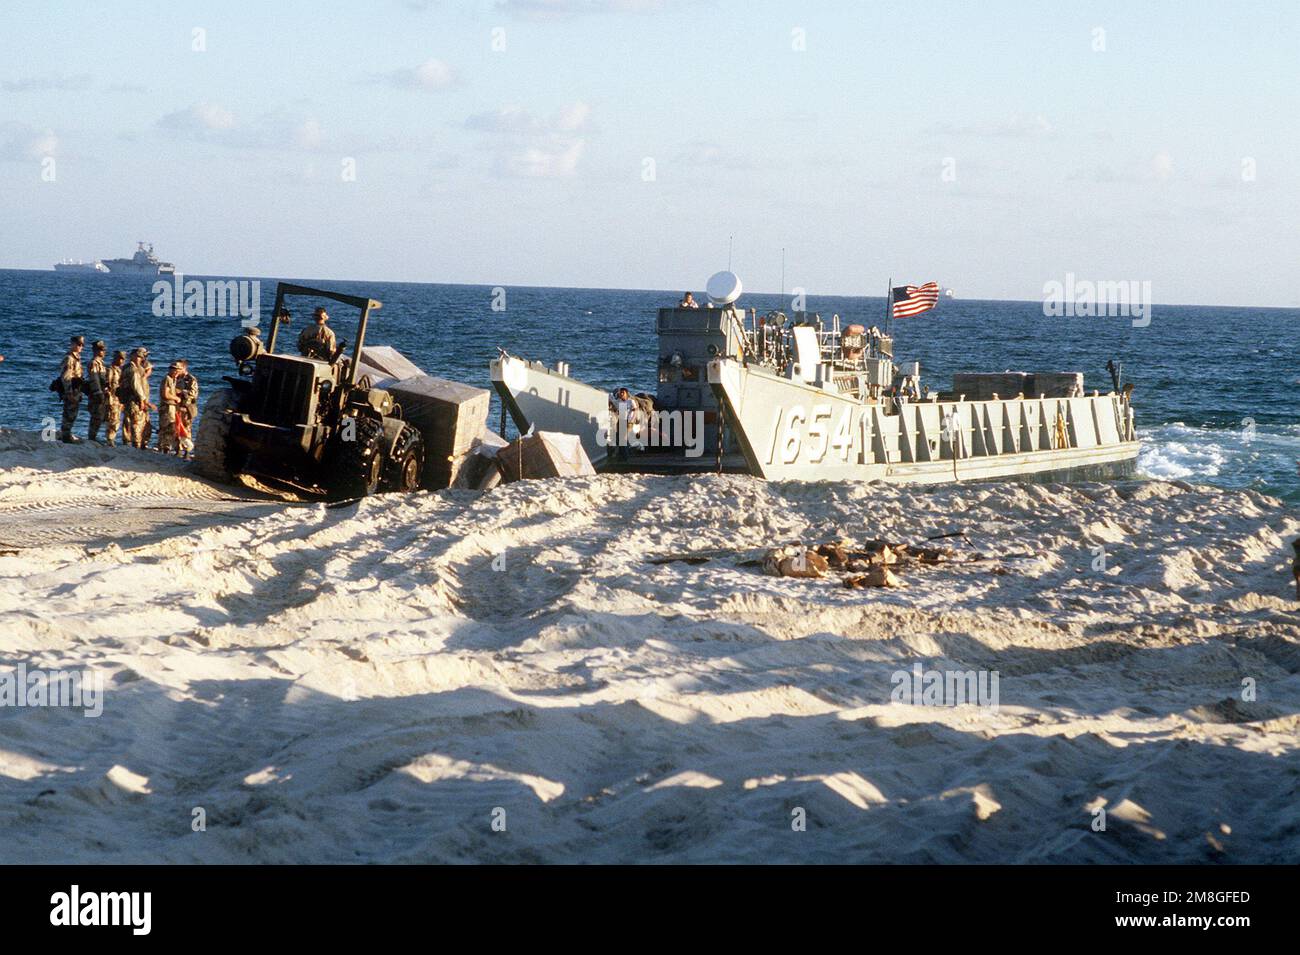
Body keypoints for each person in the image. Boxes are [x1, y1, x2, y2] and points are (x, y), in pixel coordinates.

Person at [122, 348, 155, 449]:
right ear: (132, 356)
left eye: (141, 357)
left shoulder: (131, 367)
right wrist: (142, 400)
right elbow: (136, 386)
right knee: (136, 422)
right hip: (134, 399)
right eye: (138, 356)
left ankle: (131, 443)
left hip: (131, 398)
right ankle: (136, 444)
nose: (139, 358)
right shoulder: (133, 369)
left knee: (131, 421)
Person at [57, 335, 86, 443]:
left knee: (73, 414)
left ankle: (67, 434)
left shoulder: (77, 358)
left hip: (76, 390)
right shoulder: (69, 358)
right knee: (69, 413)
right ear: (73, 344)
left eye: (82, 345)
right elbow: (66, 377)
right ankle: (65, 436)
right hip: (71, 390)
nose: (80, 347)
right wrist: (69, 393)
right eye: (78, 344)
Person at [157, 362, 183, 455]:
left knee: (169, 427)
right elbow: (166, 394)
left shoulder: (172, 380)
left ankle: (165, 447)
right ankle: (164, 448)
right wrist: (176, 398)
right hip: (167, 407)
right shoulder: (167, 379)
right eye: (174, 369)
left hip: (170, 406)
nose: (176, 371)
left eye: (177, 370)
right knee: (167, 427)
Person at [86, 340, 109, 442]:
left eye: (104, 350)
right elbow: (94, 378)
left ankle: (93, 436)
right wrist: (98, 392)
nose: (103, 352)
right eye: (101, 350)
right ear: (95, 350)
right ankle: (92, 437)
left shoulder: (101, 363)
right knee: (96, 416)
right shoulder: (94, 363)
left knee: (100, 416)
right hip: (96, 394)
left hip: (102, 392)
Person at [104, 350, 127, 447]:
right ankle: (110, 440)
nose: (121, 361)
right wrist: (109, 397)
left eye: (123, 359)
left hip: (118, 399)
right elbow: (106, 385)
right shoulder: (110, 370)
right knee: (112, 420)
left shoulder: (120, 370)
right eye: (120, 359)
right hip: (112, 398)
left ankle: (111, 439)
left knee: (116, 420)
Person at [177, 359, 199, 433]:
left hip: (186, 408)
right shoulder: (176, 378)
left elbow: (193, 393)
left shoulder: (190, 379)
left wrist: (180, 392)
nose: (177, 370)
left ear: (184, 368)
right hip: (177, 407)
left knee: (185, 431)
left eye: (179, 368)